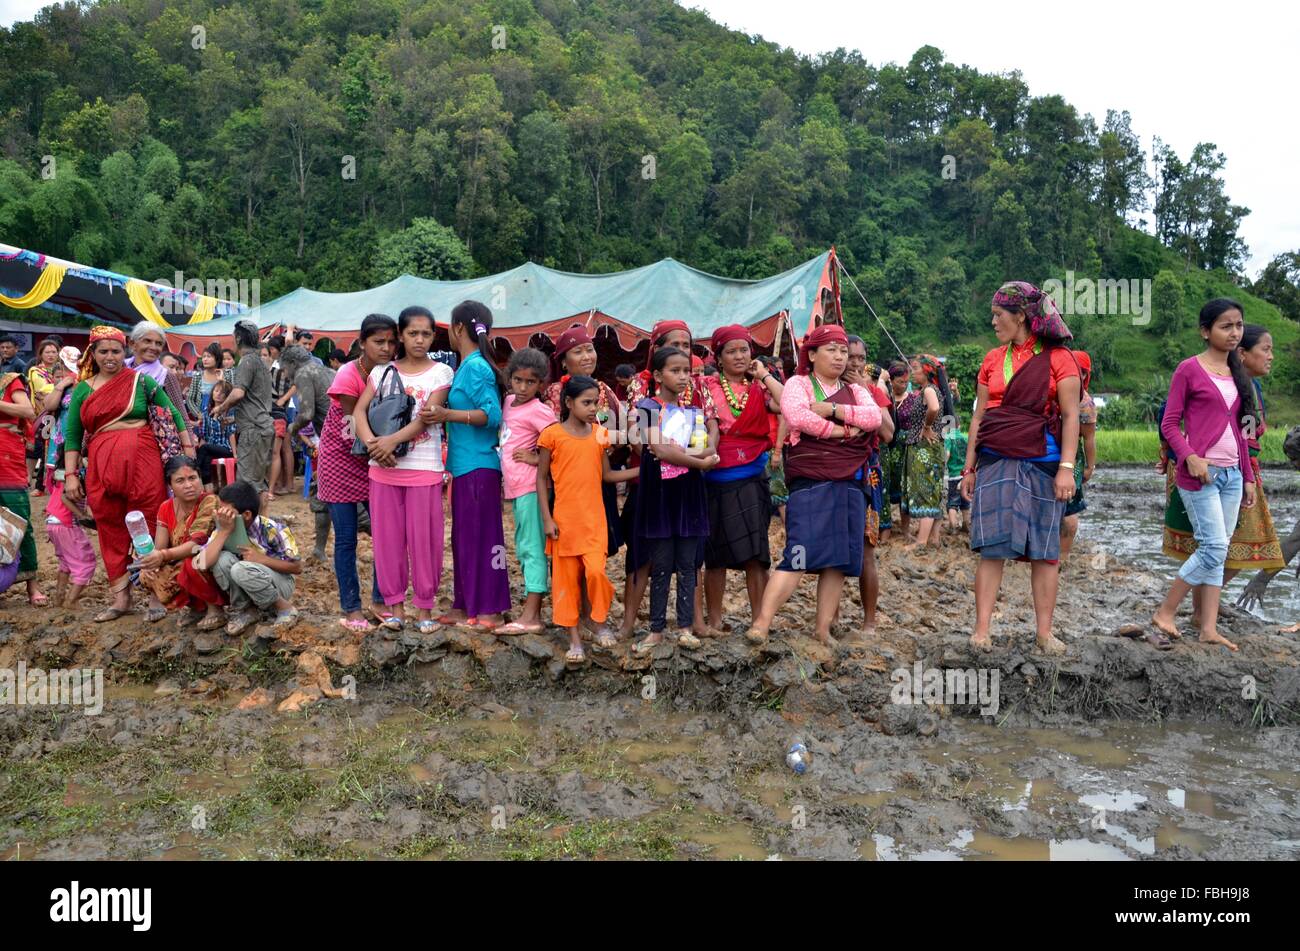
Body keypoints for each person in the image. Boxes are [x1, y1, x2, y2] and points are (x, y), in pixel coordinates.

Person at [959, 282, 1081, 656]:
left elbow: (1072, 414)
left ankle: (1044, 633)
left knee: (1045, 550)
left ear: (1022, 317)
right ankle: (982, 630)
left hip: (1043, 461)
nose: (993, 322)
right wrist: (969, 467)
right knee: (992, 546)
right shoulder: (993, 359)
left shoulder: (1060, 358)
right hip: (995, 458)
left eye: (999, 315)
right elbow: (979, 414)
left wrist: (1066, 468)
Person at [745, 325, 882, 646]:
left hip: (849, 481)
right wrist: (843, 432)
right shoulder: (798, 384)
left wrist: (834, 410)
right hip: (812, 480)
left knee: (837, 559)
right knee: (799, 552)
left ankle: (822, 630)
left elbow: (873, 418)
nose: (839, 357)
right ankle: (762, 623)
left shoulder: (856, 389)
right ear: (812, 354)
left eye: (843, 351)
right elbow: (797, 416)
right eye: (831, 350)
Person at [62, 326, 194, 622]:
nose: (110, 357)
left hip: (143, 464)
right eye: (103, 351)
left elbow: (172, 411)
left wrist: (187, 447)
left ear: (126, 352)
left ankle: (155, 594)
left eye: (116, 351)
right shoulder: (83, 388)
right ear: (92, 354)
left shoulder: (141, 381)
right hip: (100, 468)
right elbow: (72, 435)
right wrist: (70, 475)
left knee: (149, 524)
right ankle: (121, 598)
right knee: (110, 528)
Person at [1152, 301, 1260, 653]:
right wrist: (1190, 457)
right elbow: (1169, 423)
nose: (1234, 333)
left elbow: (1244, 432)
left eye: (1239, 326)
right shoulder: (1189, 370)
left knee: (1219, 550)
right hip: (1201, 475)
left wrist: (1247, 476)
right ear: (1205, 331)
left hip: (1232, 475)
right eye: (1225, 326)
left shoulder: (1238, 374)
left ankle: (1208, 628)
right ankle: (1165, 612)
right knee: (1213, 546)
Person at [354, 306, 453, 634]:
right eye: (413, 333)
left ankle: (424, 609)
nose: (420, 340)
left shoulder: (441, 373)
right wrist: (373, 445)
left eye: (426, 333)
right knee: (387, 541)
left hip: (424, 468)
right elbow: (359, 411)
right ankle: (395, 608)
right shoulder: (381, 372)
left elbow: (428, 416)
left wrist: (388, 442)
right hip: (383, 470)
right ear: (401, 335)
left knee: (425, 541)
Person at [620, 319, 718, 639]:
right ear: (658, 375)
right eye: (675, 371)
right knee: (660, 562)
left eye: (686, 371)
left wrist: (703, 458)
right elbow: (659, 448)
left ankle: (686, 627)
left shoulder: (694, 413)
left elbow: (704, 448)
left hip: (688, 495)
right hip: (658, 495)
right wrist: (698, 463)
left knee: (689, 563)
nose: (682, 376)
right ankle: (657, 629)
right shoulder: (647, 407)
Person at [421, 301, 510, 629]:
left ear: (458, 328)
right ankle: (465, 604)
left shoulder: (475, 368)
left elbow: (493, 416)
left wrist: (447, 415)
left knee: (483, 539)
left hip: (479, 467)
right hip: (466, 468)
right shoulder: (469, 365)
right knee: (465, 538)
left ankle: (488, 609)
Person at [537, 375, 638, 660]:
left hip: (594, 522)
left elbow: (607, 475)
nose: (593, 408)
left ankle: (599, 621)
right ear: (568, 403)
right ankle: (575, 641)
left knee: (596, 573)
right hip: (564, 524)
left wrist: (640, 473)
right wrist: (547, 518)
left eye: (595, 402)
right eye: (587, 402)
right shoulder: (551, 436)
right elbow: (541, 479)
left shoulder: (599, 434)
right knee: (566, 583)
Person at [700, 325, 784, 630]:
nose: (739, 356)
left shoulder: (758, 388)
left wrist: (764, 375)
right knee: (715, 556)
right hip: (716, 479)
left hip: (751, 479)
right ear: (719, 357)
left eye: (744, 350)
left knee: (756, 555)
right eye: (731, 351)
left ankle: (759, 619)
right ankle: (715, 620)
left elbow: (787, 404)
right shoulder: (706, 386)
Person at [319, 313, 394, 631]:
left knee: (385, 536)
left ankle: (381, 600)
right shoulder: (349, 375)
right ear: (362, 343)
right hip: (341, 457)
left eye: (391, 342)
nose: (386, 348)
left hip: (374, 457)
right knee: (347, 538)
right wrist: (382, 448)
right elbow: (352, 424)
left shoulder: (392, 373)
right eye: (379, 342)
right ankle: (351, 608)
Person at [543, 325, 623, 557]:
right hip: (571, 484)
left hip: (602, 477)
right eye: (578, 351)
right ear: (564, 361)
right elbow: (554, 438)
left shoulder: (604, 390)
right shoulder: (557, 393)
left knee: (597, 550)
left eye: (589, 349)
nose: (587, 356)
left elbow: (621, 429)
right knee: (570, 548)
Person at [495, 347, 556, 635]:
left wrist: (536, 457)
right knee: (522, 547)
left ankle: (532, 615)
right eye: (517, 380)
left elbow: (560, 442)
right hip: (516, 489)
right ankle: (533, 611)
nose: (522, 387)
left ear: (540, 384)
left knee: (532, 548)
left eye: (530, 382)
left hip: (531, 488)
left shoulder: (539, 410)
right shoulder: (507, 401)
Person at [199, 480, 301, 634]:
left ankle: (284, 608)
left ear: (246, 515)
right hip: (247, 581)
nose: (221, 515)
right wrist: (223, 533)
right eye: (219, 510)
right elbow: (202, 563)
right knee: (222, 560)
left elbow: (296, 567)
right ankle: (246, 610)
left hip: (280, 583)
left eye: (226, 512)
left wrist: (262, 559)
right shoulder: (224, 527)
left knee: (240, 569)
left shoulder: (272, 528)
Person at [136, 455, 226, 629]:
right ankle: (195, 608)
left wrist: (162, 555)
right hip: (179, 558)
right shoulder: (165, 507)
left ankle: (215, 609)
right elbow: (160, 547)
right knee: (147, 574)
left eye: (192, 478)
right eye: (180, 481)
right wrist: (152, 564)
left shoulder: (209, 501)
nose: (188, 485)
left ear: (200, 478)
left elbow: (198, 543)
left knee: (191, 565)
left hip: (208, 558)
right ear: (170, 486)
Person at [42, 346, 95, 608]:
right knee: (84, 562)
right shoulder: (65, 387)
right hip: (64, 450)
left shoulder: (86, 386)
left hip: (53, 519)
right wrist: (85, 517)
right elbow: (49, 407)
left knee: (65, 561)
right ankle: (70, 605)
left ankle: (58, 602)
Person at [281, 344, 336, 559]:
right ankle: (319, 549)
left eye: (285, 370)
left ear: (293, 364)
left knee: (325, 495)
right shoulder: (328, 371)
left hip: (332, 443)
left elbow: (306, 412)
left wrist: (292, 428)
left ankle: (320, 549)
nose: (286, 375)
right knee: (322, 493)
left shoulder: (304, 373)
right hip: (343, 438)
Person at [211, 320, 274, 505]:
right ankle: (262, 524)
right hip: (263, 427)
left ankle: (250, 528)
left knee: (246, 483)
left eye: (233, 337)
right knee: (259, 482)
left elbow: (239, 393)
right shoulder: (261, 363)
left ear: (238, 338)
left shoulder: (246, 362)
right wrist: (232, 420)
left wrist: (221, 408)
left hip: (253, 431)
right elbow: (255, 403)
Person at [0, 357, 46, 605]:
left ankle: (32, 585)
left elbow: (28, 411)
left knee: (18, 520)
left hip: (5, 458)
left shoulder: (9, 381)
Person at [898, 355, 954, 548]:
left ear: (927, 371)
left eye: (915, 369)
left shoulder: (929, 390)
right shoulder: (935, 390)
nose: (913, 372)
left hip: (924, 448)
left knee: (925, 491)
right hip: (932, 448)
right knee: (933, 491)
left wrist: (927, 426)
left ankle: (921, 541)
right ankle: (933, 538)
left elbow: (934, 408)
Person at [1059, 351, 1098, 561]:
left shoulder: (1085, 404)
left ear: (1084, 376)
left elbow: (1089, 439)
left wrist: (1090, 467)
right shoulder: (1051, 393)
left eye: (1079, 372)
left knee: (1068, 509)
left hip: (1070, 460)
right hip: (1049, 455)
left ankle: (1062, 557)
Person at [126, 322, 190, 425]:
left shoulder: (166, 376)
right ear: (133, 344)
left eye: (159, 343)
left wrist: (188, 440)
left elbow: (181, 415)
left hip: (155, 437)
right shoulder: (121, 369)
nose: (153, 347)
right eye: (147, 341)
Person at [26, 338, 61, 491]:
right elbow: (41, 390)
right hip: (41, 415)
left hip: (59, 414)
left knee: (53, 448)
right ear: (40, 354)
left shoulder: (61, 369)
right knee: (37, 448)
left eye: (54, 352)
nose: (51, 355)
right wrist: (61, 386)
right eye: (47, 352)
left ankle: (43, 484)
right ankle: (28, 480)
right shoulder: (35, 371)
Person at [880, 363, 909, 539]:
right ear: (891, 381)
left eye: (906, 382)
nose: (903, 385)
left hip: (904, 451)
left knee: (904, 487)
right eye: (900, 381)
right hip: (886, 448)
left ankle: (905, 530)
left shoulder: (913, 399)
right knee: (883, 487)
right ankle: (885, 526)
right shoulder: (884, 396)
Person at [267, 334, 297, 497]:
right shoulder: (282, 363)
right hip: (283, 408)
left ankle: (287, 484)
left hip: (281, 409)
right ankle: (285, 483)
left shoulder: (283, 364)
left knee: (282, 449)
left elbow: (296, 383)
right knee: (284, 448)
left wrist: (283, 399)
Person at [196, 379, 237, 490]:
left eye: (223, 393)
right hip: (210, 449)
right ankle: (209, 489)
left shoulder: (229, 412)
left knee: (204, 449)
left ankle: (195, 472)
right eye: (216, 391)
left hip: (225, 449)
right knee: (206, 459)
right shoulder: (206, 411)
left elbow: (231, 434)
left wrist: (235, 454)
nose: (218, 394)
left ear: (227, 397)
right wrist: (199, 452)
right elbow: (204, 435)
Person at [186, 341, 234, 420]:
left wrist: (222, 381)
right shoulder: (197, 376)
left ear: (217, 358)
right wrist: (198, 414)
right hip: (203, 419)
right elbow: (190, 399)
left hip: (224, 417)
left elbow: (233, 395)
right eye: (204, 356)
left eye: (209, 356)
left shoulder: (227, 373)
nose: (205, 359)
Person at [944, 418, 970, 533]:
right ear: (959, 426)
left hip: (954, 475)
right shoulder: (965, 437)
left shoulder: (949, 437)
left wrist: (943, 464)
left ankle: (953, 526)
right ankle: (966, 524)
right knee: (965, 502)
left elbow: (947, 454)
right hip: (965, 475)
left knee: (952, 502)